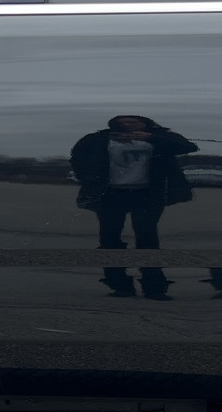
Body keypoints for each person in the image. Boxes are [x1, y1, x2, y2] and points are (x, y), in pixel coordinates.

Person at [69, 114, 196, 299]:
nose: (127, 124)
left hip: (147, 194)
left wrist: (150, 138)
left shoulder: (161, 137)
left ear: (145, 122)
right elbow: (77, 157)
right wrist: (89, 179)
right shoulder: (100, 138)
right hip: (111, 194)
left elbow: (188, 147)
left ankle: (154, 286)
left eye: (133, 120)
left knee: (147, 238)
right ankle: (119, 284)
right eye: (122, 121)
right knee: (109, 239)